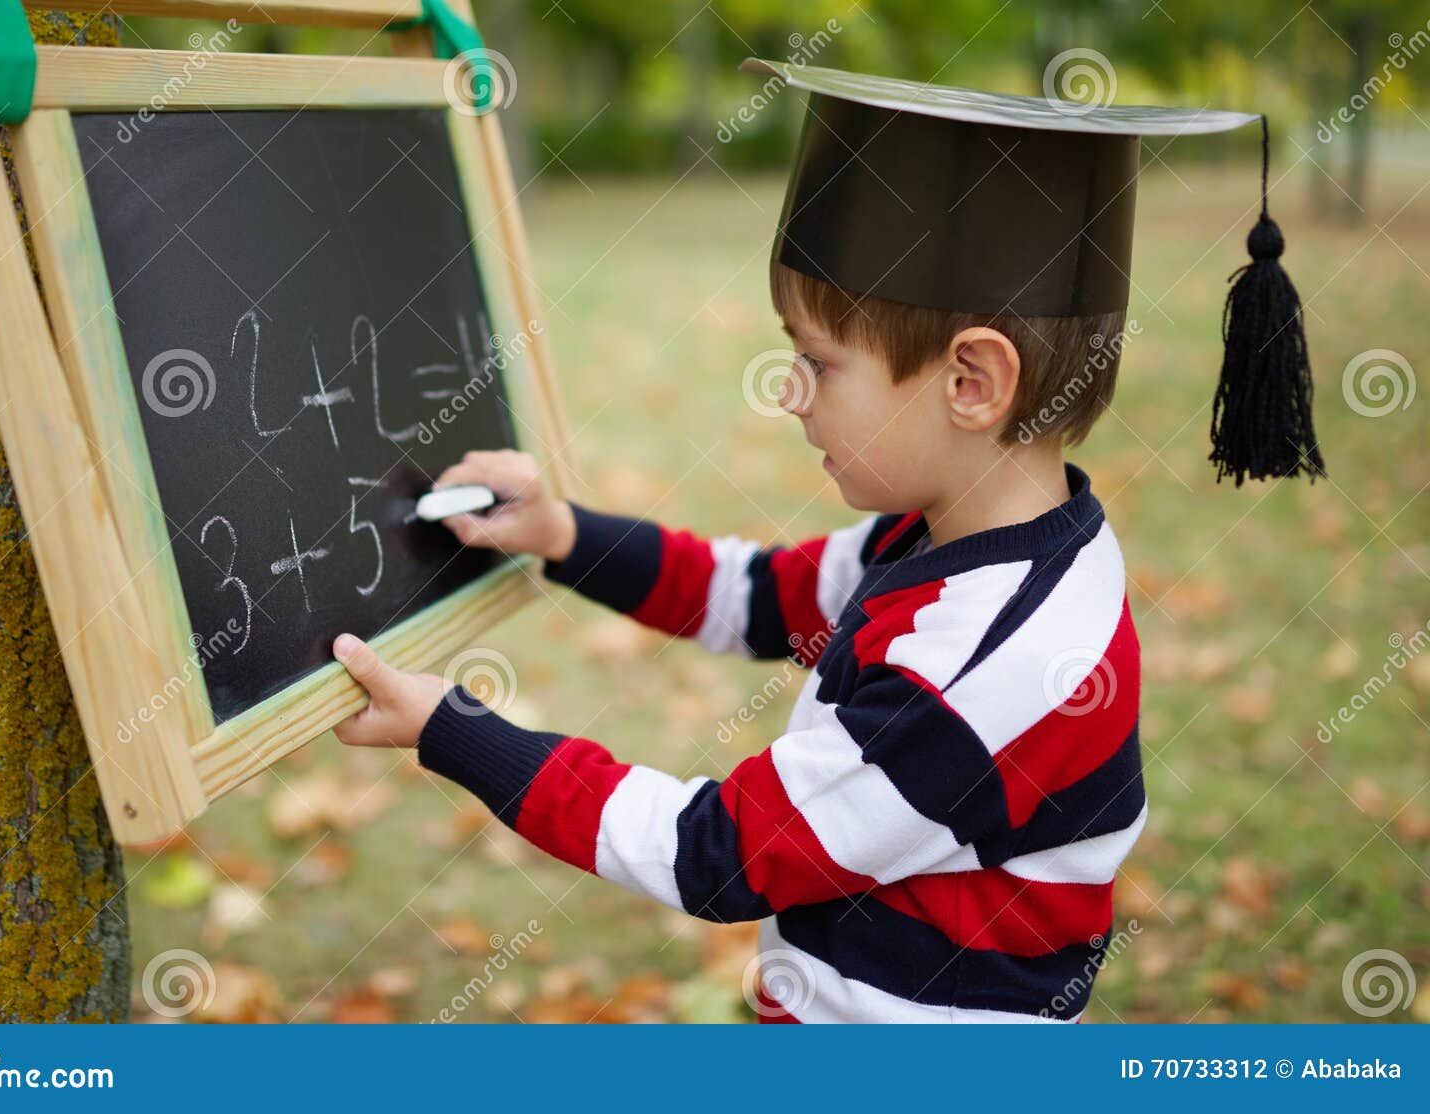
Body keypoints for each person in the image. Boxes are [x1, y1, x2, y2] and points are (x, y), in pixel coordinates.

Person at [327, 60, 1323, 1023]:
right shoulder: (960, 538)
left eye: (818, 361)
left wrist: (453, 730)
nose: (791, 395)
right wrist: (561, 534)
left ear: (971, 383)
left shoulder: (981, 668)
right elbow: (752, 595)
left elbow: (715, 855)